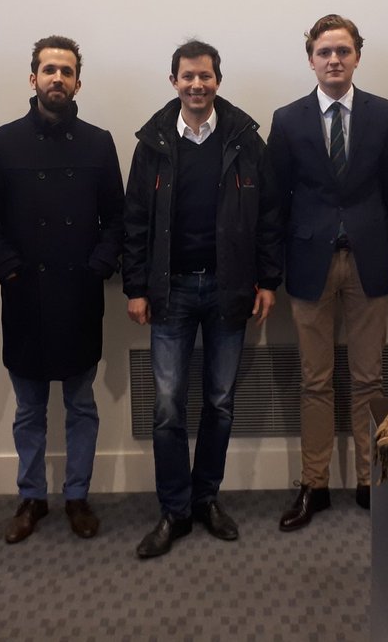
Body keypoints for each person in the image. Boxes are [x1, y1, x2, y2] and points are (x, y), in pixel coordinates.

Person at [122, 39, 282, 558]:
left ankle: (206, 498)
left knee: (220, 402)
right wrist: (136, 287)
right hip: (169, 291)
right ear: (174, 81)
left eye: (205, 76)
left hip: (228, 289)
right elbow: (135, 221)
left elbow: (268, 216)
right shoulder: (152, 143)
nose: (197, 85)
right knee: (168, 406)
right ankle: (174, 509)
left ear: (218, 80)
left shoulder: (245, 140)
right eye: (187, 76)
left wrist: (268, 280)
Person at [0, 36, 124, 541]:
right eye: (49, 69)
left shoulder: (99, 142)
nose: (58, 78)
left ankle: (77, 496)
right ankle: (31, 497)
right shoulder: (3, 141)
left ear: (78, 82)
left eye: (67, 71)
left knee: (81, 405)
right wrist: (7, 266)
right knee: (29, 409)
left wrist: (99, 266)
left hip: (79, 293)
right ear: (33, 77)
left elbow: (117, 218)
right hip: (25, 293)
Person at [267, 14, 388, 531]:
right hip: (309, 261)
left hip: (368, 258)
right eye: (324, 52)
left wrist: (369, 232)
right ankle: (315, 484)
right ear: (311, 60)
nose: (334, 60)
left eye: (343, 51)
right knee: (315, 380)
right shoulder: (288, 119)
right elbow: (277, 196)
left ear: (357, 57)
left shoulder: (384, 114)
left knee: (370, 378)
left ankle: (372, 484)